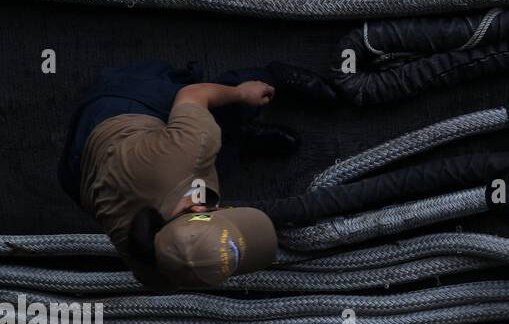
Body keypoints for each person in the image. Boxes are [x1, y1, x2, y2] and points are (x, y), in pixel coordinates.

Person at [58, 59, 334, 291]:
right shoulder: (156, 274)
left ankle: (270, 79)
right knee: (216, 158)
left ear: (197, 210)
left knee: (213, 111)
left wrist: (241, 93)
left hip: (122, 106)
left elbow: (193, 95)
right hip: (80, 173)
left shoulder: (186, 154)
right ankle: (236, 140)